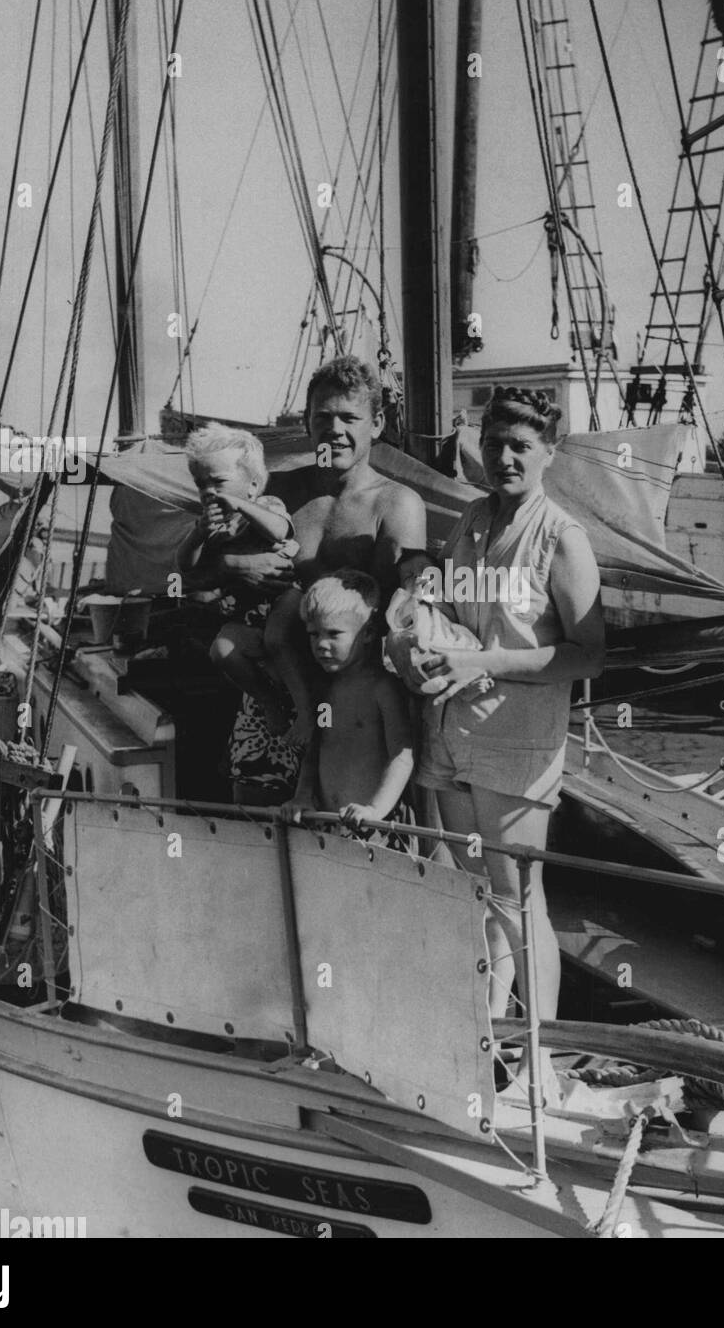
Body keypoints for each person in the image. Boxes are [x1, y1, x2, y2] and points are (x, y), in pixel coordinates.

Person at [414, 385, 605, 1100]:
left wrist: (482, 663)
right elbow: (451, 605)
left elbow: (587, 654)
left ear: (550, 453)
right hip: (452, 733)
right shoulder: (470, 521)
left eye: (521, 446)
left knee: (522, 900)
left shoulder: (562, 537)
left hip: (516, 741)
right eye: (494, 443)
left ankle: (541, 1062)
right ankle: (487, 1034)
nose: (504, 457)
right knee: (476, 893)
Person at [227, 356, 427, 802]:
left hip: (354, 701)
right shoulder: (278, 492)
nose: (334, 428)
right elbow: (205, 566)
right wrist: (237, 567)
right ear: (307, 422)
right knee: (253, 825)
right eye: (323, 416)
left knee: (349, 836)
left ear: (376, 423)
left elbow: (408, 614)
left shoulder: (397, 505)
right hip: (275, 693)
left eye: (349, 417)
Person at [176, 423, 311, 745]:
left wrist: (243, 508)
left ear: (252, 486)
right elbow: (186, 569)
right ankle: (268, 700)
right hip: (247, 612)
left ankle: (306, 713)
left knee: (279, 640)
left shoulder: (266, 505)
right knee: (222, 651)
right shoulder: (210, 527)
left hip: (284, 598)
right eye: (201, 484)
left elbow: (280, 531)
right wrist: (197, 534)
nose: (209, 491)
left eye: (219, 482)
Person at [285, 570, 414, 831]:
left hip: (374, 825)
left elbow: (402, 756)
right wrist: (302, 797)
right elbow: (315, 749)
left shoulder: (383, 688)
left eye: (333, 634)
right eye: (313, 634)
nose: (321, 644)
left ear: (367, 633)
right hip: (327, 823)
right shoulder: (323, 690)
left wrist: (375, 809)